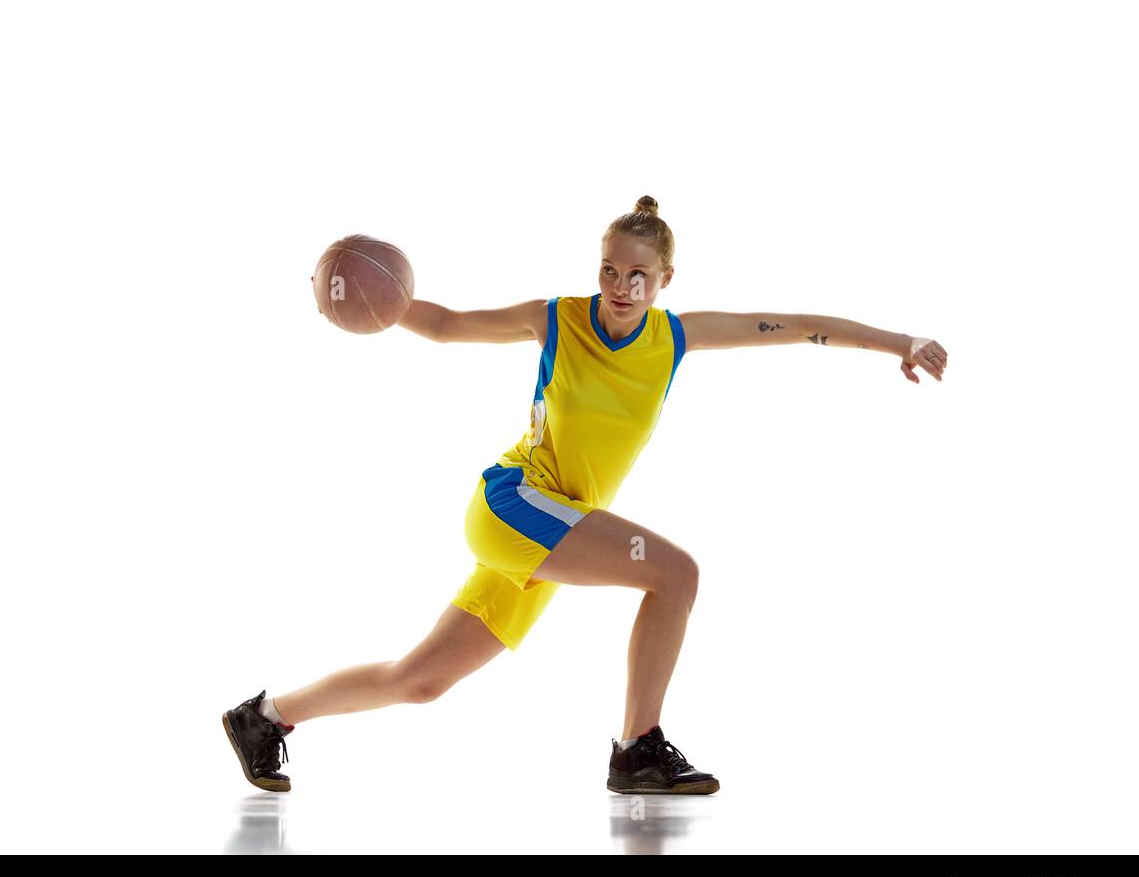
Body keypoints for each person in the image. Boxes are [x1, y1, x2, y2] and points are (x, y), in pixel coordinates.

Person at [221, 195, 948, 795]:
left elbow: (798, 327)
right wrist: (373, 301)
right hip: (515, 502)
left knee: (419, 681)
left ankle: (267, 716)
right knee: (675, 573)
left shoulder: (676, 340)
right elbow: (444, 325)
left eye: (638, 275)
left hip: (549, 530)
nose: (620, 286)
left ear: (665, 277)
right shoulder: (557, 319)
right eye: (609, 270)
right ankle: (638, 747)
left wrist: (901, 342)